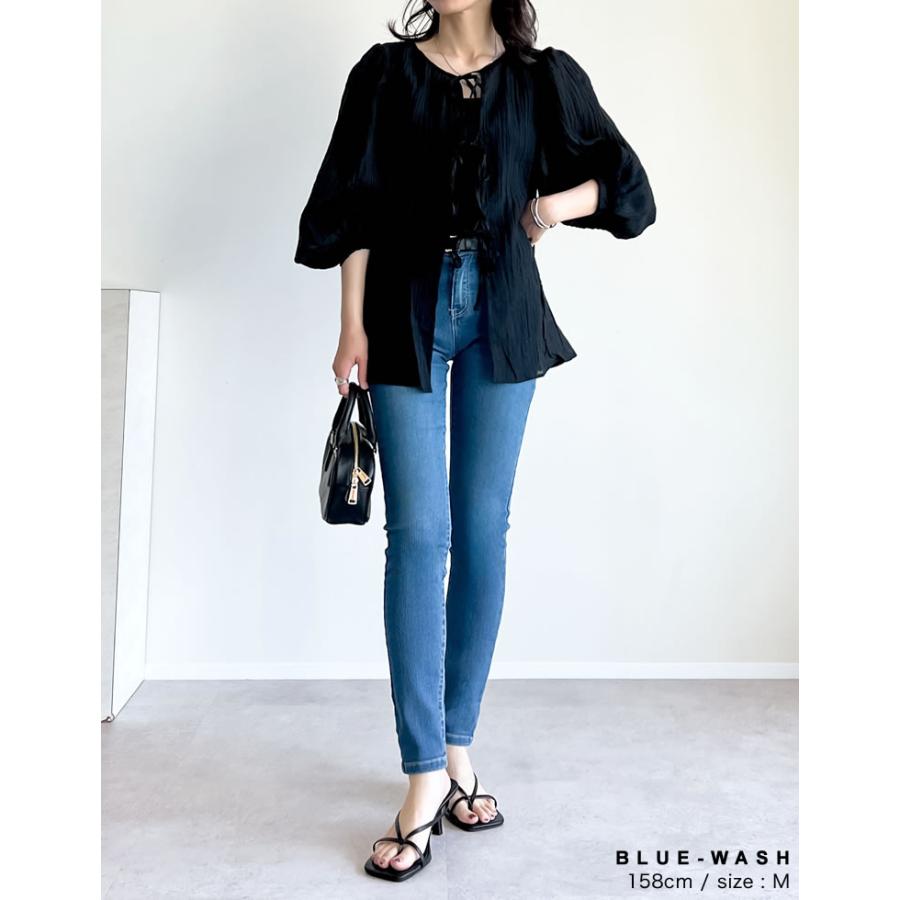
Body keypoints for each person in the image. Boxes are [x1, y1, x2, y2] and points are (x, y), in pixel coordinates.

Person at [294, 0, 656, 882]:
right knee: (420, 536)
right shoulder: (385, 76)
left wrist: (554, 205)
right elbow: (356, 207)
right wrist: (351, 325)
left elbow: (629, 186)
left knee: (484, 531)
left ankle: (458, 745)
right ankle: (424, 772)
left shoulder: (544, 80)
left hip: (504, 313)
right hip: (403, 315)